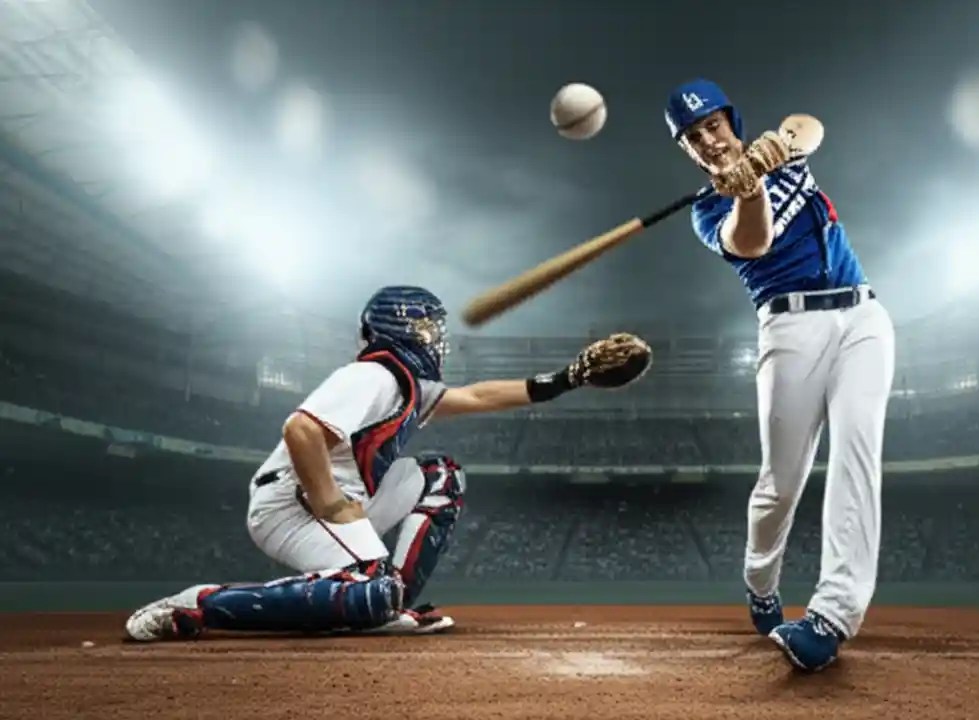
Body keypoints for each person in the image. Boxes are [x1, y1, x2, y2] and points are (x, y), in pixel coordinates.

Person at [124, 285, 651, 641]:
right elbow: (301, 429)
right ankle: (196, 604)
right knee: (370, 588)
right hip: (293, 504)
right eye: (427, 327)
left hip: (344, 497)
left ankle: (384, 601)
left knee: (442, 475)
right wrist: (332, 502)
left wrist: (568, 377)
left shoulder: (410, 384)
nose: (436, 337)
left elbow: (479, 397)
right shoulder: (375, 376)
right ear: (397, 327)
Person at [665, 79, 896, 672]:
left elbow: (808, 124)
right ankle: (761, 581)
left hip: (863, 316)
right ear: (687, 150)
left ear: (730, 120)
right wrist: (748, 190)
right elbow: (755, 239)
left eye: (713, 125)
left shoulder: (781, 147)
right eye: (694, 137)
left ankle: (832, 616)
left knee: (856, 454)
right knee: (780, 484)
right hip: (790, 333)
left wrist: (775, 149)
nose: (708, 141)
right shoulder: (706, 209)